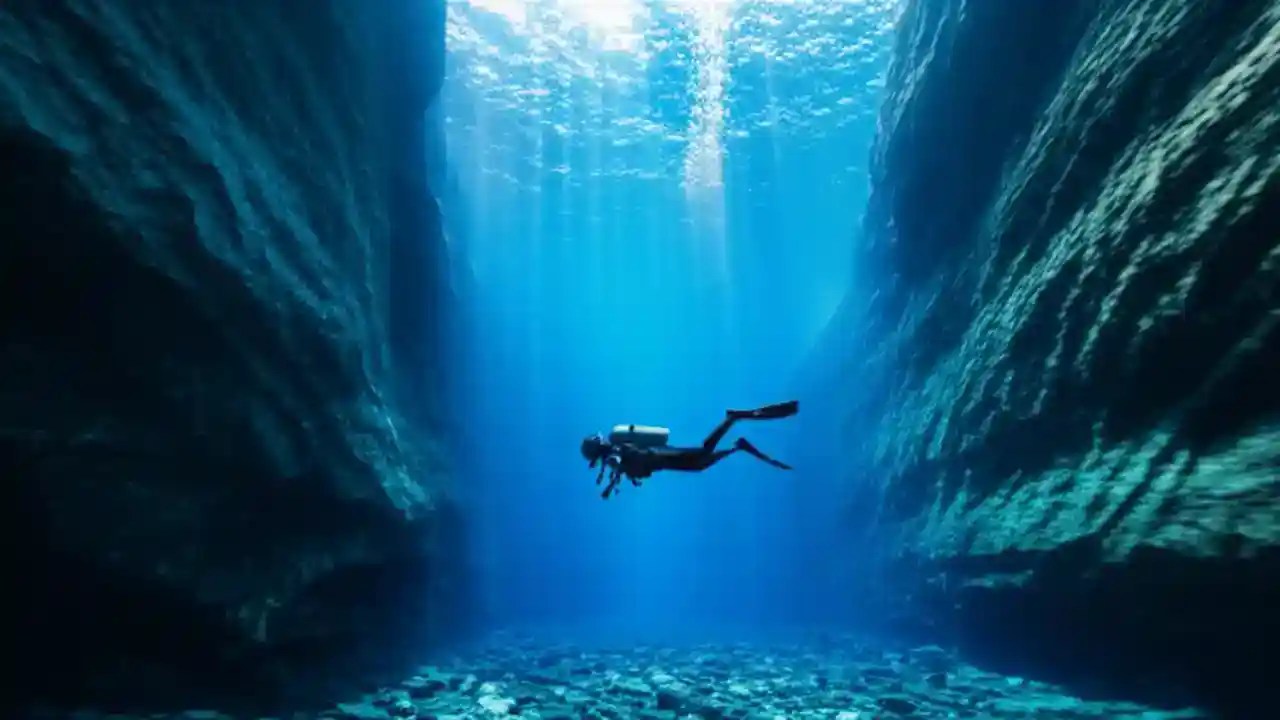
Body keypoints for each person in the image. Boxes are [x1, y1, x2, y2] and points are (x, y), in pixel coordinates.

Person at [580, 400, 799, 499]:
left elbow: (618, 463)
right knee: (700, 465)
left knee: (703, 452)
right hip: (662, 459)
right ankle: (736, 446)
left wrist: (610, 485)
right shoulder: (614, 449)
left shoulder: (613, 454)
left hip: (659, 456)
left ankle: (731, 419)